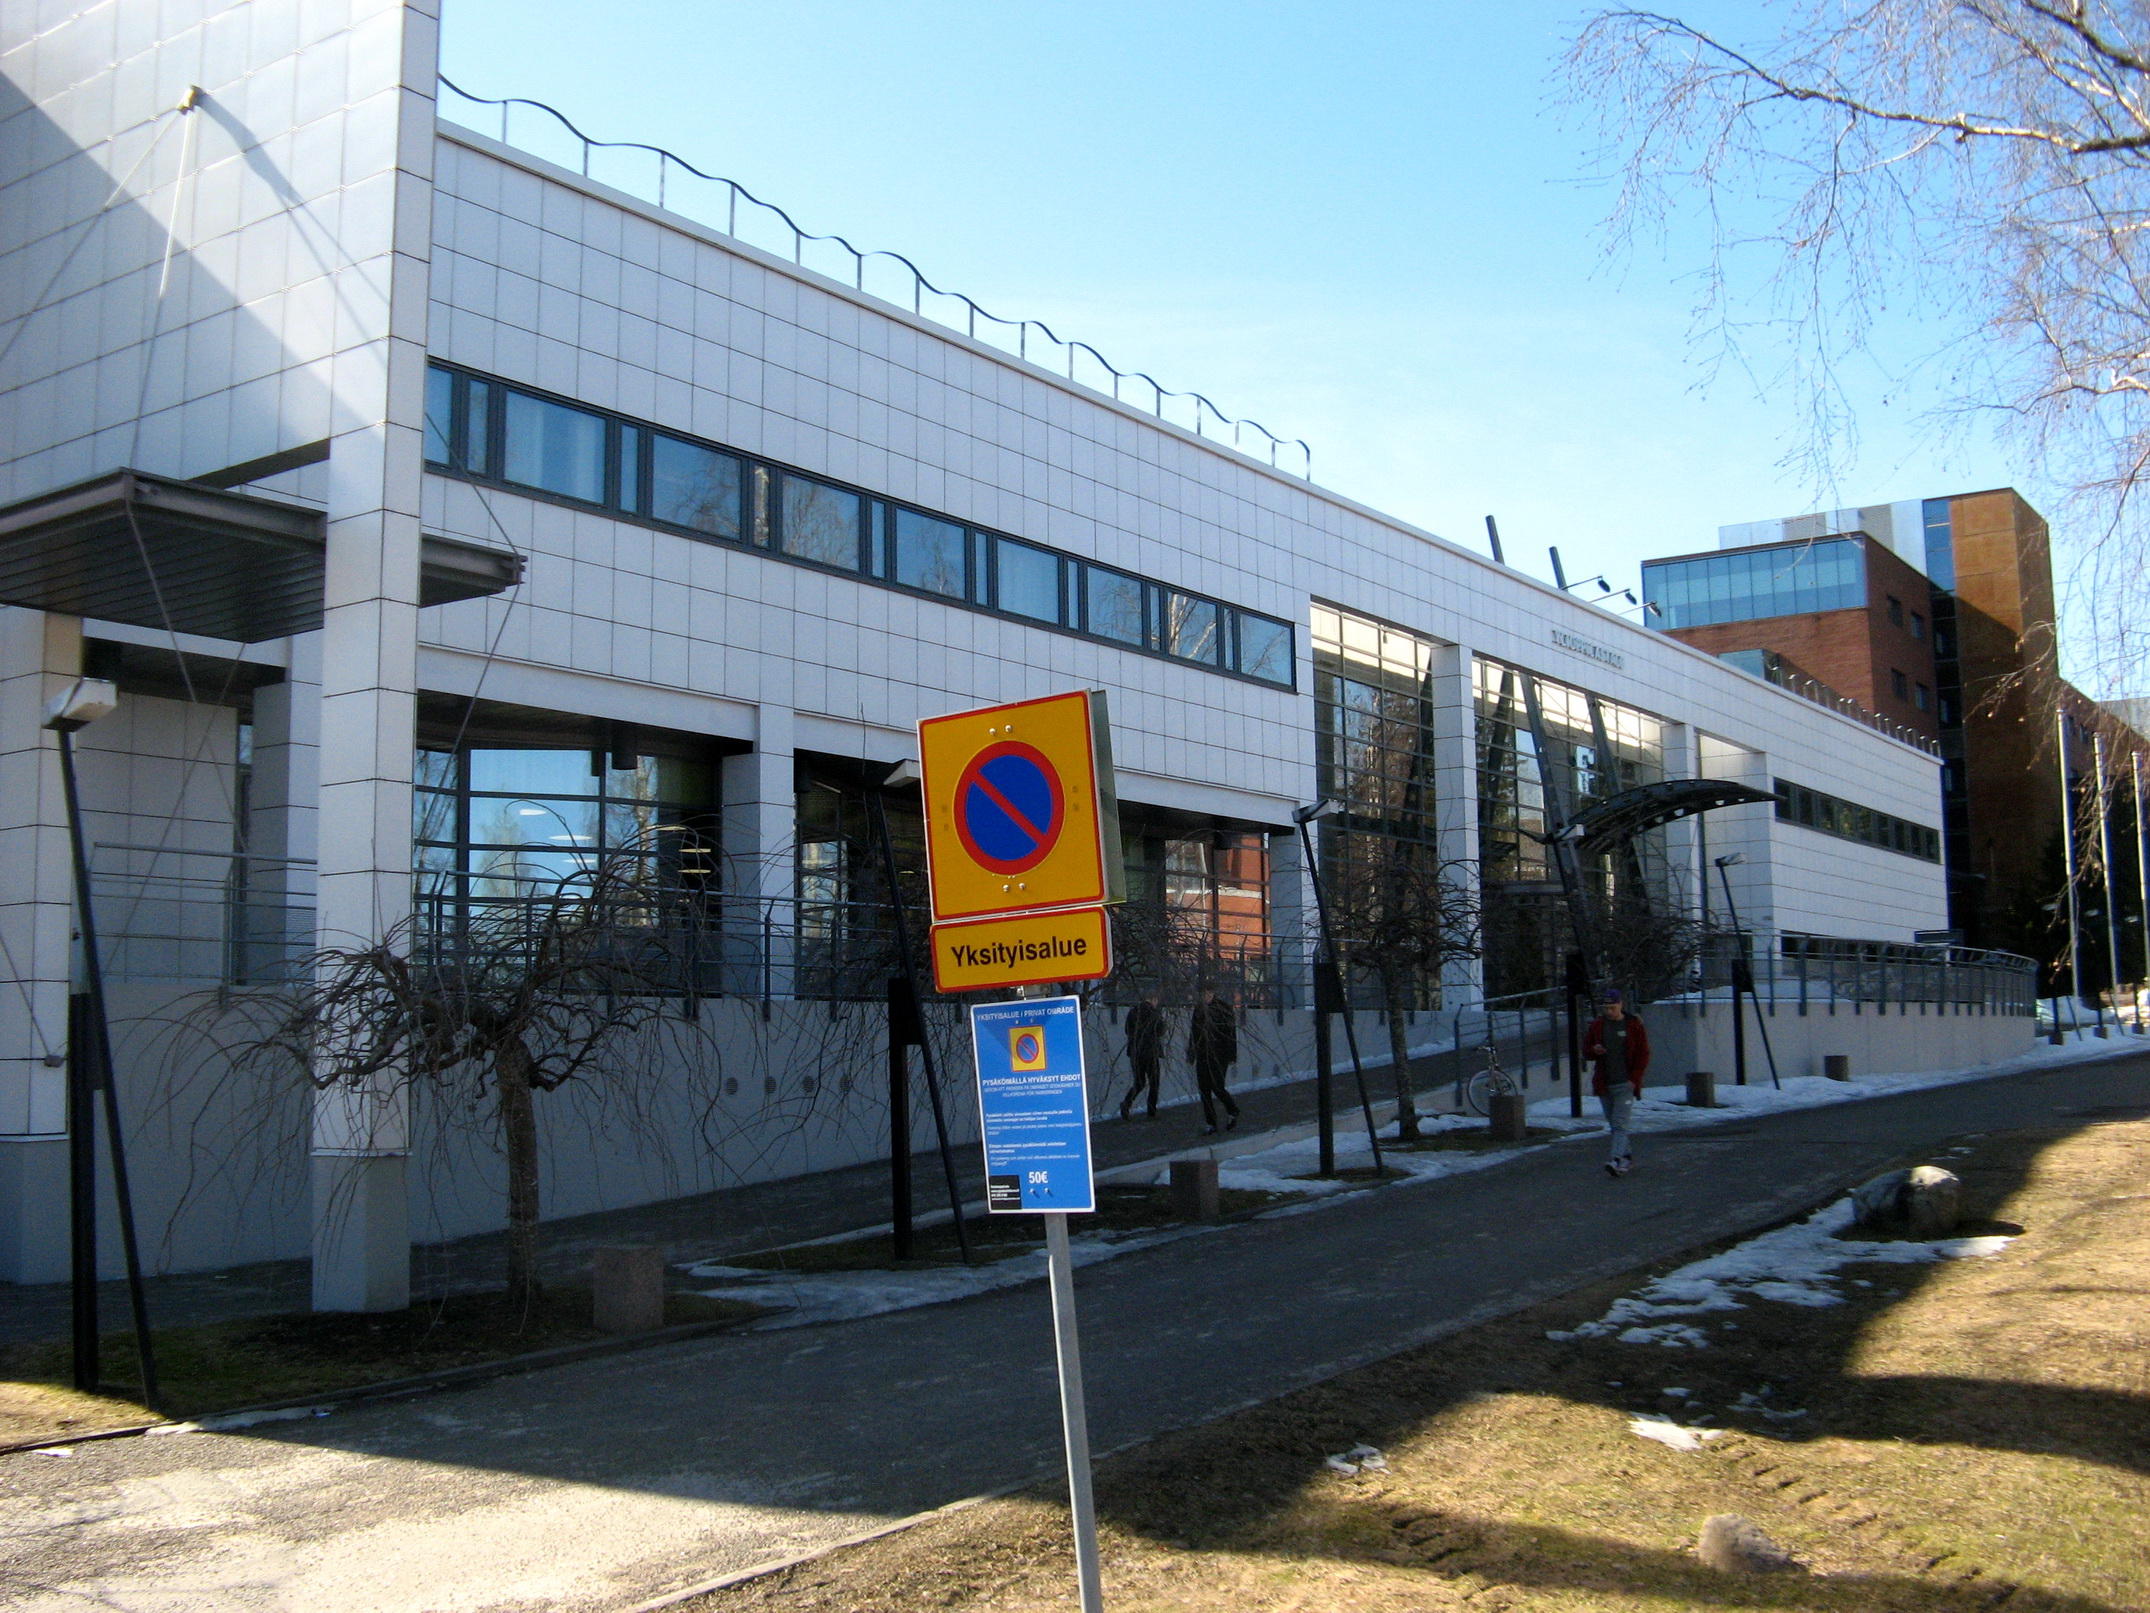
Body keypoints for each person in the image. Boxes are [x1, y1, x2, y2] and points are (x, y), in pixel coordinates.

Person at [1582, 987, 1650, 1176]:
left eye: (1612, 1007)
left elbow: (1643, 1054)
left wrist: (1634, 1079)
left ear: (1621, 1005)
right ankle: (1626, 1157)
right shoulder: (1597, 1026)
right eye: (1606, 1008)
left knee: (1620, 1123)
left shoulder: (1633, 1025)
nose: (1609, 1012)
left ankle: (1616, 1158)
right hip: (1605, 1083)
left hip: (1625, 1084)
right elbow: (1586, 1051)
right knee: (1614, 1123)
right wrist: (1594, 1050)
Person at [1189, 989, 1242, 1134]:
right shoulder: (1199, 1009)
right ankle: (1211, 1123)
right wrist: (1192, 1053)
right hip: (1203, 1053)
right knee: (1204, 1089)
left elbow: (1230, 1033)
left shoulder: (1223, 1009)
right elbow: (1194, 1032)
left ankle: (1232, 1109)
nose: (1205, 997)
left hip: (1219, 1054)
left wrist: (1231, 1054)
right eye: (1203, 995)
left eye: (1207, 994)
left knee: (1217, 1086)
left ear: (1212, 993)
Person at [1119, 995, 1165, 1121]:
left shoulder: (1133, 1011)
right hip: (1150, 1052)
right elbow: (1160, 1030)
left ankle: (1127, 1103)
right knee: (1154, 1082)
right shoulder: (1154, 1013)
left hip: (1136, 1052)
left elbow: (1127, 1030)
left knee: (1139, 1082)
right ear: (1153, 999)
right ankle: (1151, 1111)